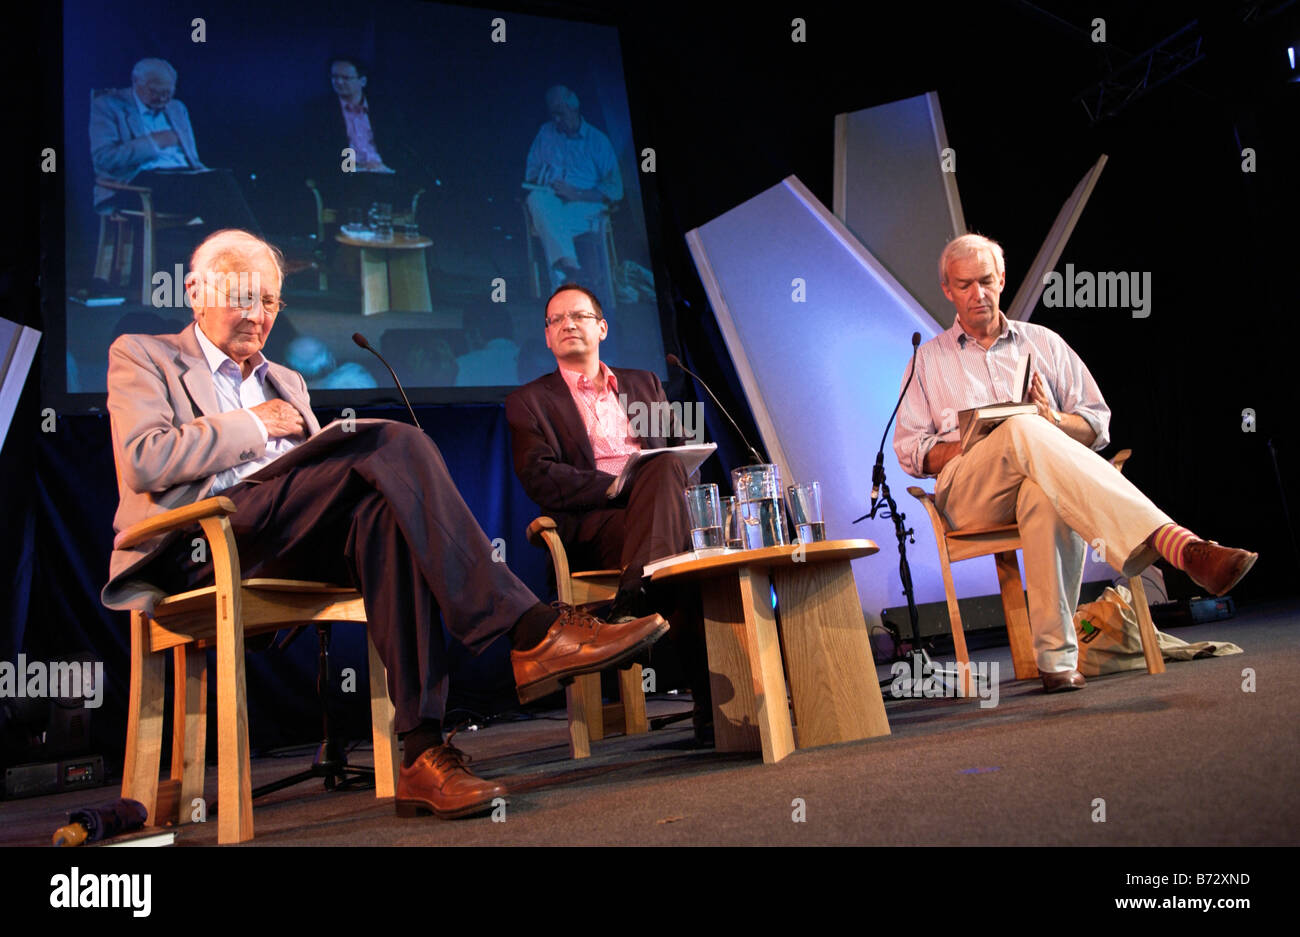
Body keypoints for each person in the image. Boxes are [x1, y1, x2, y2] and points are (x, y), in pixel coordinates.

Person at [101, 230, 668, 819]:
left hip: (289, 536)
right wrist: (255, 422)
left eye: (270, 302)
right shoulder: (144, 355)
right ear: (194, 292)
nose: (257, 314)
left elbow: (324, 477)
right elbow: (145, 459)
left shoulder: (286, 380)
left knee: (385, 521)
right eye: (243, 295)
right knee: (391, 441)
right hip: (202, 542)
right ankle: (529, 630)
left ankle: (423, 752)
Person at [893, 233, 1257, 692]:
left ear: (1002, 278)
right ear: (948, 290)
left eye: (986, 281)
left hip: (1036, 482)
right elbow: (910, 449)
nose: (977, 294)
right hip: (969, 493)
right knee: (1020, 429)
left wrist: (1054, 421)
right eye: (964, 285)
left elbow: (1096, 425)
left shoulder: (1044, 343)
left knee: (1045, 490)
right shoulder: (927, 360)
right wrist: (974, 445)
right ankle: (1178, 545)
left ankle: (1056, 661)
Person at [504, 284, 712, 742]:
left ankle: (633, 601)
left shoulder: (642, 384)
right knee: (677, 549)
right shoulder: (531, 400)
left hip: (658, 515)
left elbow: (682, 456)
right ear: (546, 338)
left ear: (601, 327)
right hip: (597, 523)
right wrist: (620, 484)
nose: (566, 325)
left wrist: (660, 484)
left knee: (664, 476)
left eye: (577, 316)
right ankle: (712, 708)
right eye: (555, 320)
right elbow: (540, 477)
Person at [90, 58, 259, 233]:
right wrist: (153, 142)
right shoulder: (108, 106)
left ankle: (244, 253)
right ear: (135, 82)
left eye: (168, 92)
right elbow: (104, 159)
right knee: (215, 189)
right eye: (155, 92)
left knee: (224, 182)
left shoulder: (176, 108)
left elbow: (192, 159)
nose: (163, 98)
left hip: (183, 178)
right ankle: (249, 254)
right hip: (136, 184)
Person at [301, 57, 426, 221]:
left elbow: (398, 145)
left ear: (362, 81)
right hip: (347, 172)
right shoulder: (321, 110)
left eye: (345, 78)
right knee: (358, 187)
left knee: (415, 188)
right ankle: (352, 242)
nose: (338, 82)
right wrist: (354, 165)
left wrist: (384, 165)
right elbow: (321, 150)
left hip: (383, 171)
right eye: (334, 77)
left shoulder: (383, 109)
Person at [523, 86, 622, 290]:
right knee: (537, 200)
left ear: (574, 106)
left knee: (548, 222)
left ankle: (562, 280)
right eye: (553, 114)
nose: (557, 120)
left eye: (561, 112)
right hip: (550, 200)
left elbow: (614, 189)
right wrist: (541, 180)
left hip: (585, 206)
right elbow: (530, 171)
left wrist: (575, 193)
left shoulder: (598, 141)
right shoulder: (546, 133)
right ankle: (571, 269)